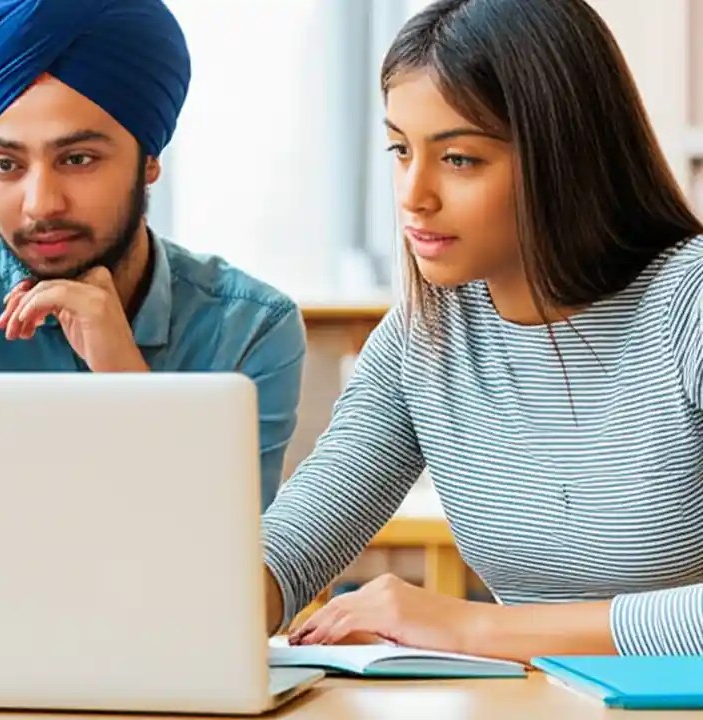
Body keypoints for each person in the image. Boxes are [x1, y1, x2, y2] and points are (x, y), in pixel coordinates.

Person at [263, 0, 703, 661]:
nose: (414, 194)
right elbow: (292, 547)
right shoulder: (427, 333)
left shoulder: (688, 302)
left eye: (460, 158)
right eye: (400, 149)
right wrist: (214, 605)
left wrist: (473, 628)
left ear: (567, 155)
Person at [0, 0, 306, 508]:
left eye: (77, 159)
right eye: (6, 164)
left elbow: (233, 571)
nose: (41, 204)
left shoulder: (248, 329)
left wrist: (124, 375)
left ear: (150, 160)